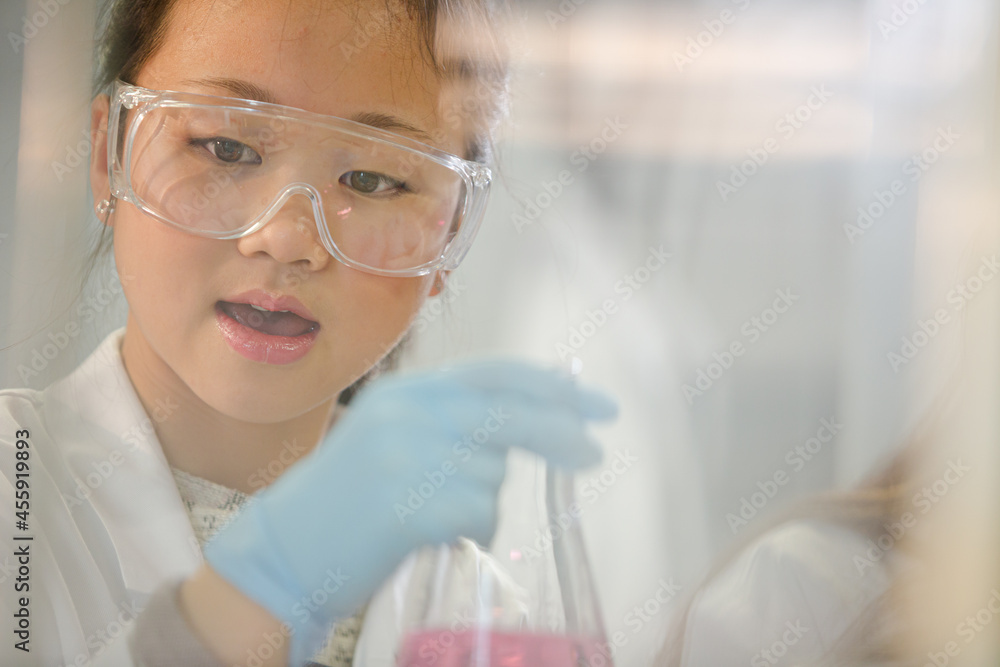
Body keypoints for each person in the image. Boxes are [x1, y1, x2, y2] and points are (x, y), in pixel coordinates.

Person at [0, 1, 618, 666]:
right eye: (226, 146)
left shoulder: (475, 613)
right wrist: (260, 589)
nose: (288, 239)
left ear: (449, 233)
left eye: (375, 178)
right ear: (107, 154)